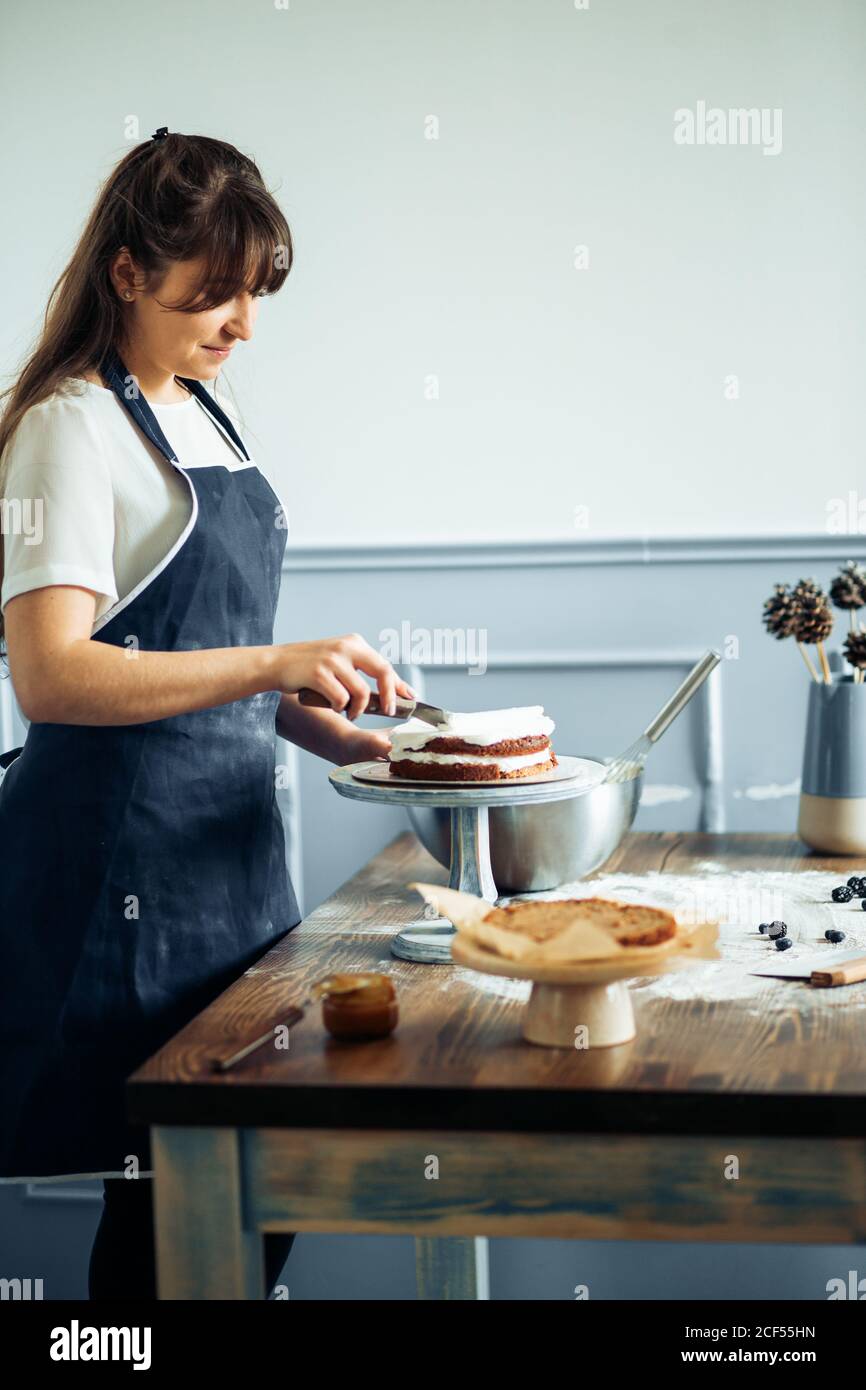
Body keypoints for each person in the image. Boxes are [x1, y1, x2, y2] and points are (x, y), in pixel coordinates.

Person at [0, 128, 413, 1299]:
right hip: (116, 888)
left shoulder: (201, 414)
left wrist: (309, 714)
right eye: (213, 293)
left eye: (253, 295)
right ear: (128, 273)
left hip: (232, 876)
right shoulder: (67, 427)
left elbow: (188, 654)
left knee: (247, 1193)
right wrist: (275, 659)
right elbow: (55, 676)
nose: (241, 323)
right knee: (170, 1218)